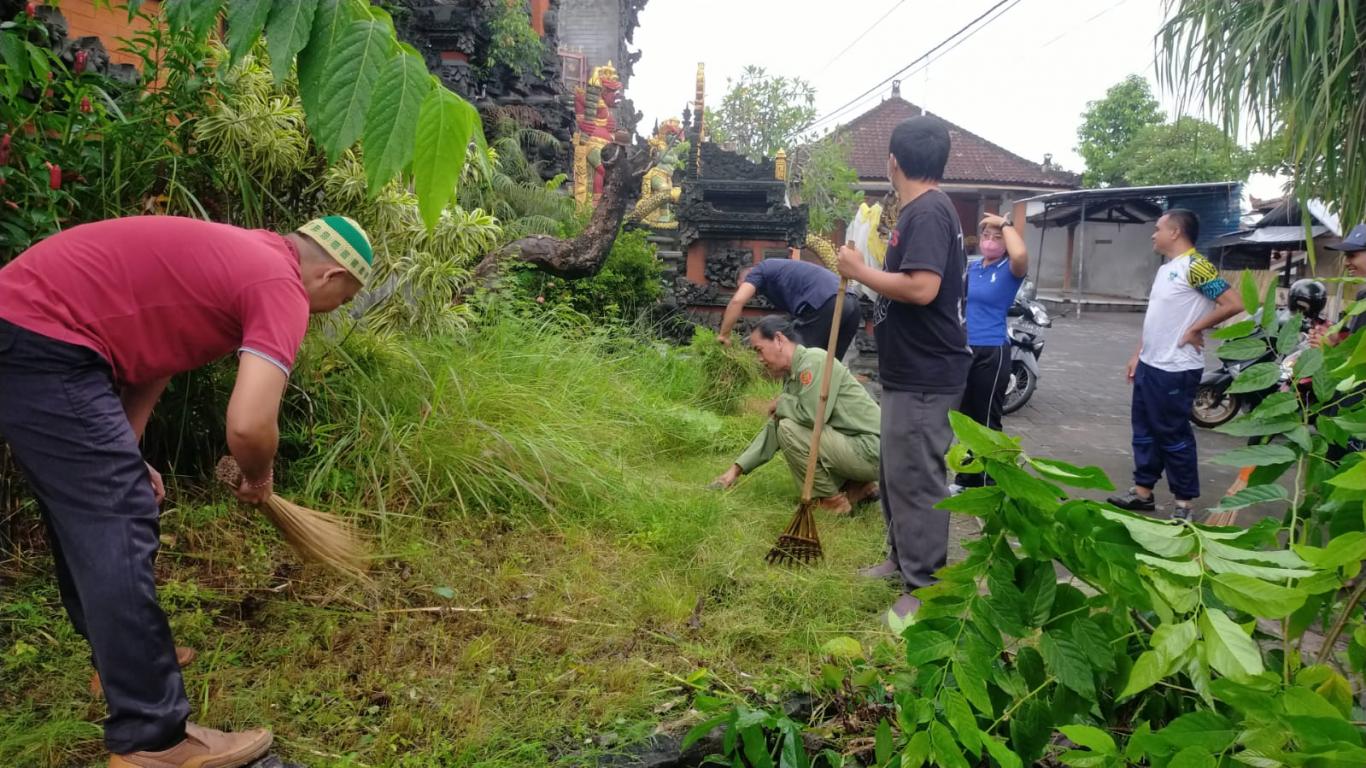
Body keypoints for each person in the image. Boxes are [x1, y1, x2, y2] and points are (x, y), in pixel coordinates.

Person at [0, 215, 373, 768]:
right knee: (118, 513)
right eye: (341, 301)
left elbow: (157, 356)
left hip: (29, 327)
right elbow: (248, 424)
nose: (331, 313)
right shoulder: (280, 285)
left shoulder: (242, 259)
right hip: (46, 338)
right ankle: (153, 739)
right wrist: (260, 477)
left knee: (100, 508)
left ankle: (122, 663)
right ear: (331, 275)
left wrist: (125, 456)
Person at [835, 115, 971, 622]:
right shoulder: (917, 210)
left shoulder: (930, 211)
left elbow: (922, 288)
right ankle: (902, 559)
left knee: (918, 477)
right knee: (895, 473)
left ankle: (925, 582)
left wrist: (859, 271)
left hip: (927, 373)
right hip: (906, 368)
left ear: (893, 161)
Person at [1106, 209, 1243, 520]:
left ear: (1175, 232)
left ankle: (1184, 504)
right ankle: (1143, 492)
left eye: (1158, 228)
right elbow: (1158, 319)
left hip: (1177, 368)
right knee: (1144, 430)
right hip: (1152, 364)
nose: (1153, 234)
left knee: (1173, 434)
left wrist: (1196, 329)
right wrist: (1138, 354)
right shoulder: (1167, 269)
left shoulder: (1197, 267)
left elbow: (1234, 303)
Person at [710, 316, 880, 514]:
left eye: (759, 350)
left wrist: (782, 403)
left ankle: (829, 501)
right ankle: (859, 487)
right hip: (863, 449)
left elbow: (813, 416)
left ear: (779, 340)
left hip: (872, 451)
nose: (759, 359)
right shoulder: (794, 376)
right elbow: (772, 429)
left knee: (789, 429)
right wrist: (734, 472)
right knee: (784, 423)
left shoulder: (813, 361)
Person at [954, 213, 1029, 489]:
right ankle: (966, 478)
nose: (990, 241)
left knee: (986, 418)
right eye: (986, 235)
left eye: (997, 237)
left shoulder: (1011, 269)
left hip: (992, 350)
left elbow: (1020, 253)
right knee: (964, 419)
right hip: (964, 349)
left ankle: (989, 480)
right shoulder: (973, 268)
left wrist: (1006, 224)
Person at [717, 257, 862, 360]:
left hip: (827, 302)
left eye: (741, 285)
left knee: (799, 357)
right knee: (830, 367)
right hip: (852, 303)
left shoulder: (759, 270)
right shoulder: (780, 274)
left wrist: (724, 335)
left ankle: (795, 400)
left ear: (744, 278)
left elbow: (737, 301)